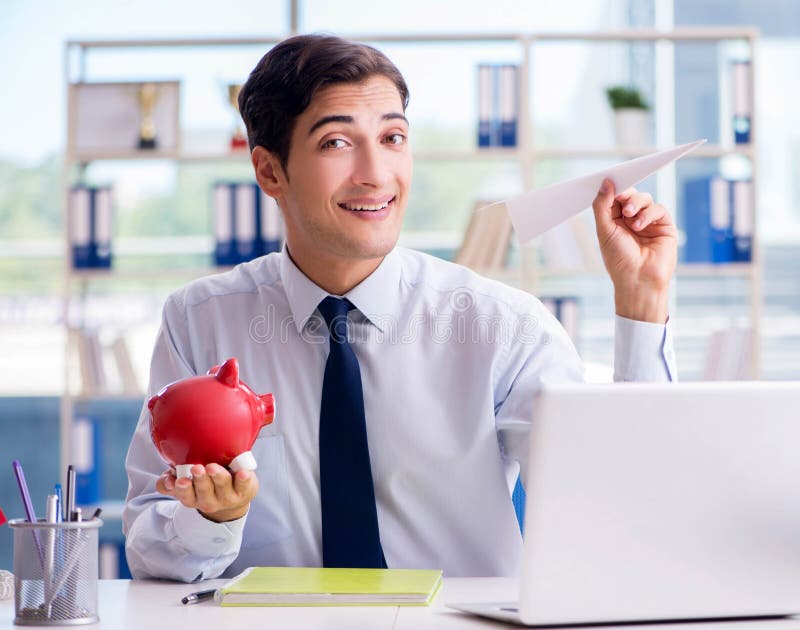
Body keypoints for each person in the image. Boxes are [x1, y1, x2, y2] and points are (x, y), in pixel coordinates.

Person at [123, 34, 677, 582]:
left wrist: (642, 306)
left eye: (392, 138)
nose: (376, 173)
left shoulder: (503, 327)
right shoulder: (199, 322)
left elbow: (607, 509)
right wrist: (213, 518)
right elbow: (151, 547)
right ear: (269, 171)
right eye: (337, 143)